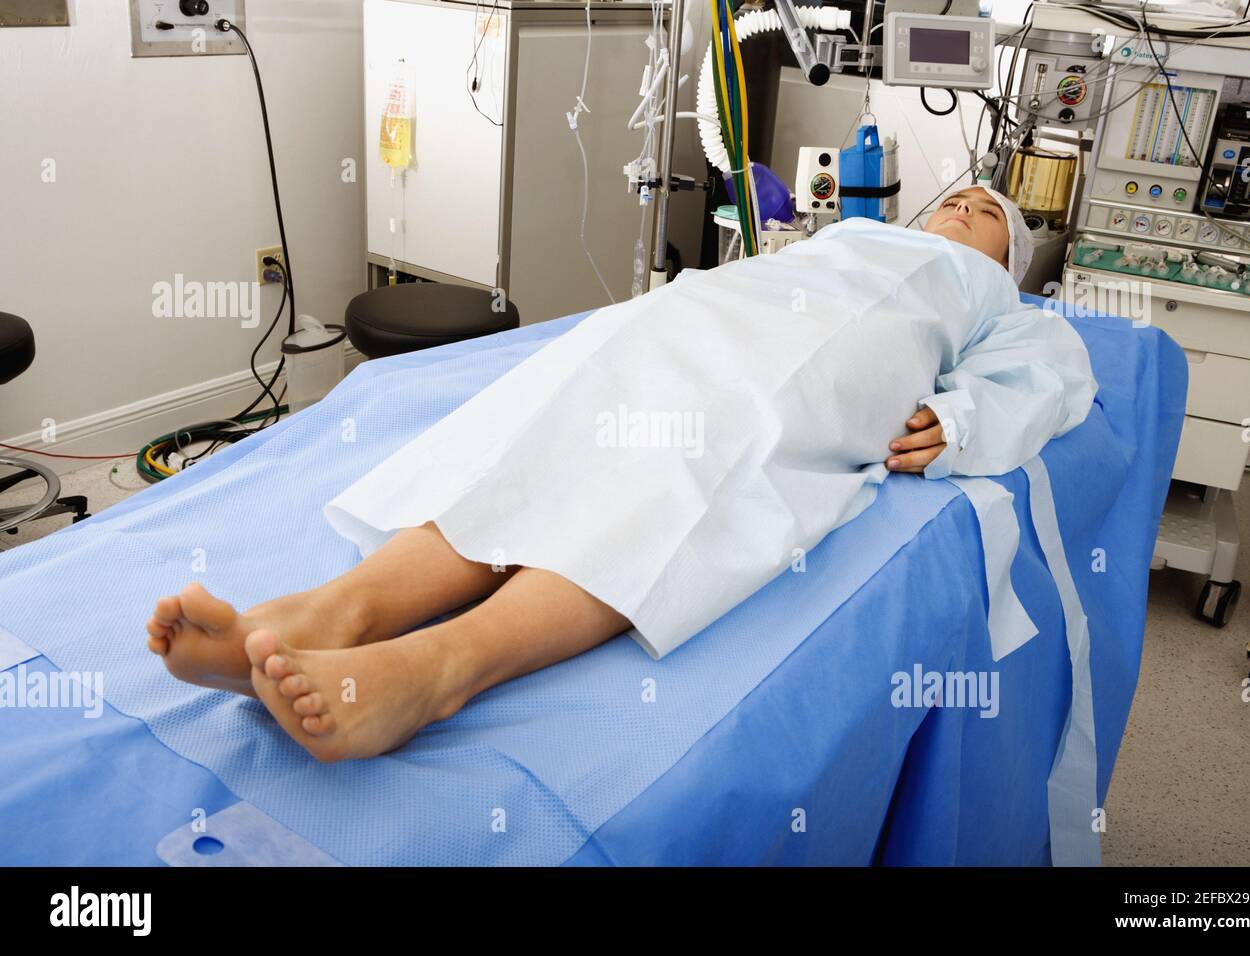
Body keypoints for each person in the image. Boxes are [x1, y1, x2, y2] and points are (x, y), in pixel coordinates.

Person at [145, 185, 1097, 763]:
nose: (964, 212)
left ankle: (434, 670)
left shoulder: (996, 303)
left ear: (1007, 265)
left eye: (988, 219)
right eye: (954, 200)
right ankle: (331, 613)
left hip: (834, 352)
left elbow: (1048, 381)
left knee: (703, 442)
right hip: (720, 309)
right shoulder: (841, 238)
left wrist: (959, 418)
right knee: (563, 410)